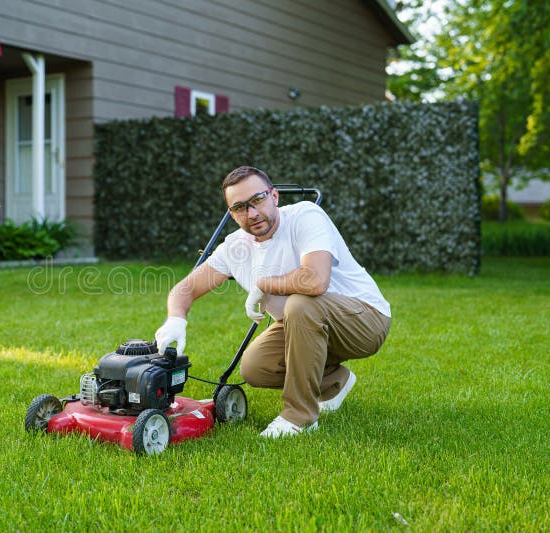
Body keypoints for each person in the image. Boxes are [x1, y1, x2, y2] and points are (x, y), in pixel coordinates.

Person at [154, 166, 391, 438]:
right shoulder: (235, 247)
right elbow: (186, 288)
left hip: (365, 320)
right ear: (232, 214)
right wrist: (175, 319)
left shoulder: (305, 215)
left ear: (275, 196)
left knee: (301, 303)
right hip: (306, 326)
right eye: (241, 207)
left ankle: (298, 417)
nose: (252, 213)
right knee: (255, 368)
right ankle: (333, 381)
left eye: (258, 200)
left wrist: (263, 284)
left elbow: (315, 281)